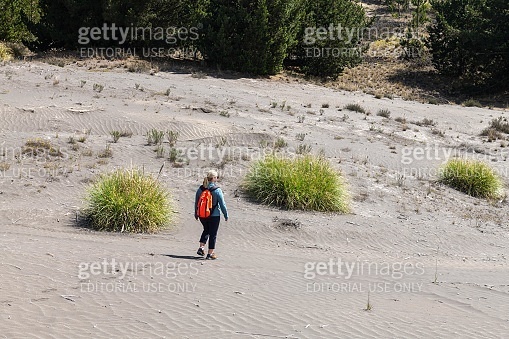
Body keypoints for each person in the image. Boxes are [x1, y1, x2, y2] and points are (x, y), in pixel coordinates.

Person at [195, 170, 228, 260]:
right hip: (214, 216)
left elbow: (196, 202)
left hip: (202, 215)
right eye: (216, 177)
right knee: (213, 234)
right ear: (213, 178)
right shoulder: (217, 190)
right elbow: (222, 204)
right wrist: (226, 215)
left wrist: (196, 213)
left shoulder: (201, 189)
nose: (217, 178)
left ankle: (201, 247)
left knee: (206, 230)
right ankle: (210, 253)